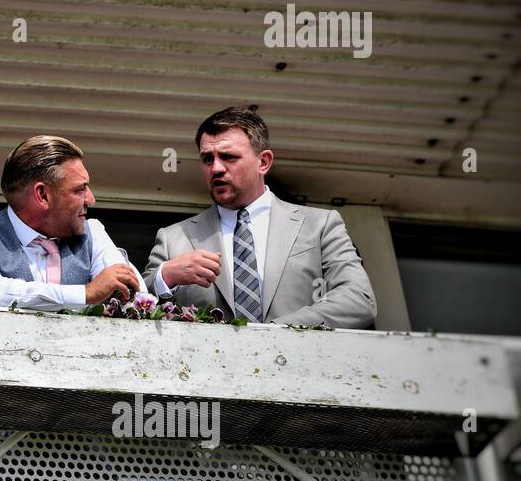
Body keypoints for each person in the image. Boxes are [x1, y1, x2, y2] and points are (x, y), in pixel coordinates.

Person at [143, 106, 376, 328]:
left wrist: (273, 335)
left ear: (263, 162)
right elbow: (133, 305)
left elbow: (357, 299)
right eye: (207, 159)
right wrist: (166, 276)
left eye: (229, 157)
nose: (215, 168)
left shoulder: (320, 225)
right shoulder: (173, 237)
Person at [0, 136, 148, 311]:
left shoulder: (93, 232)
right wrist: (86, 293)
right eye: (80, 189)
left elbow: (138, 300)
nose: (91, 199)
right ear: (42, 195)